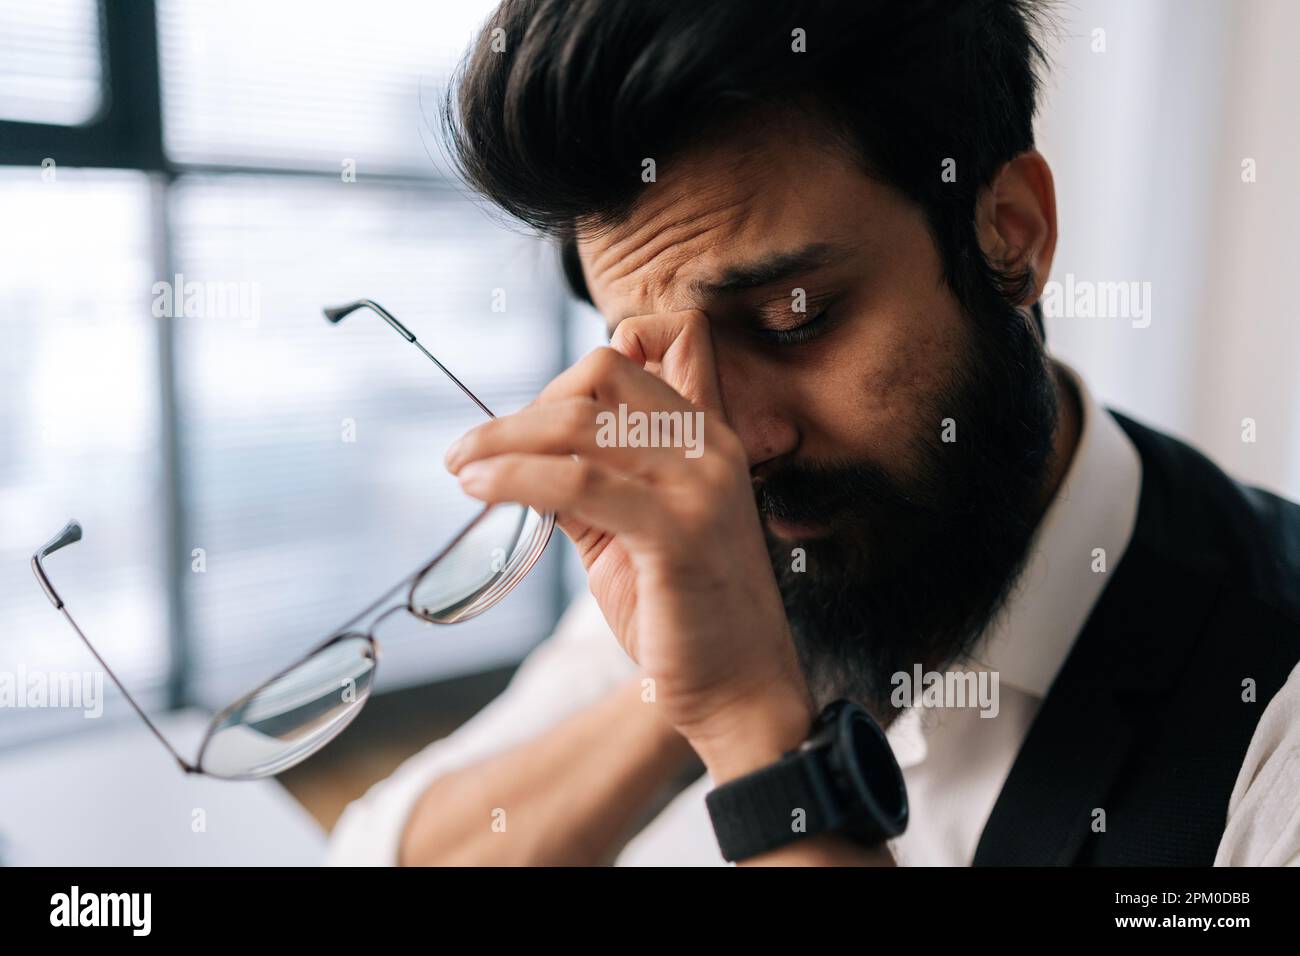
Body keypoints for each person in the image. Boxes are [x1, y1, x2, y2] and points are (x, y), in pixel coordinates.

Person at [327, 0, 1300, 866]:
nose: (733, 440)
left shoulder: (1271, 708)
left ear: (1010, 229)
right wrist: (682, 693)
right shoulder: (722, 539)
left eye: (795, 319)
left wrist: (758, 734)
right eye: (670, 364)